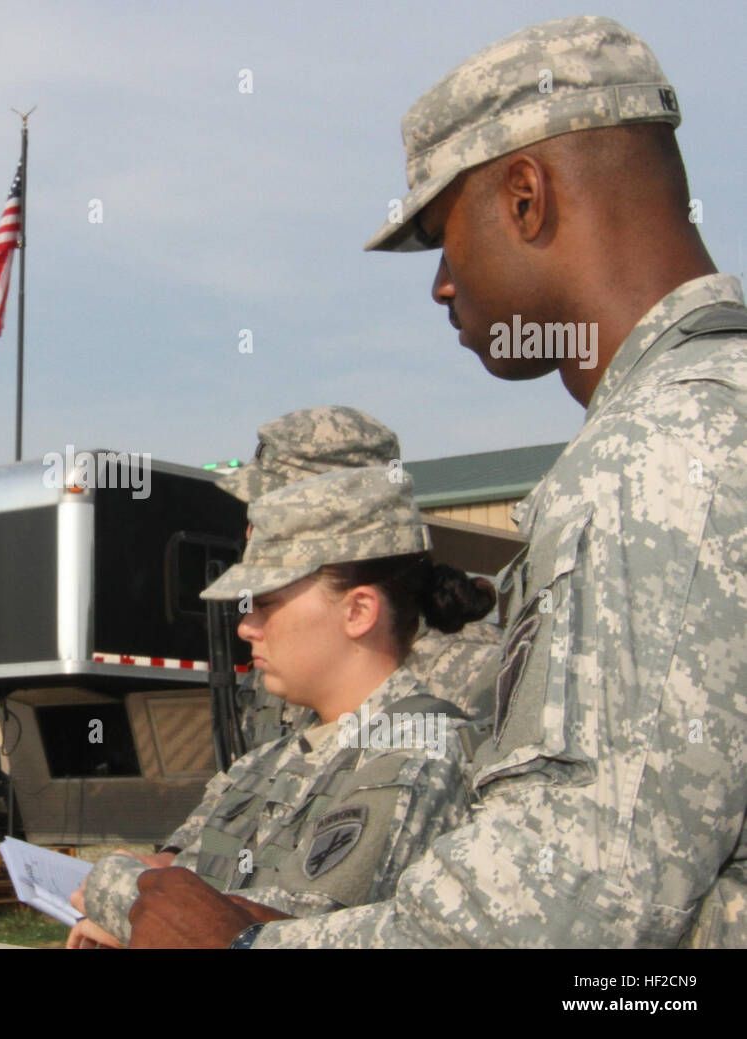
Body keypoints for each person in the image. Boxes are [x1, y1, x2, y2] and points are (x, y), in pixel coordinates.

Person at [127, 15, 747, 948]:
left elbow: (570, 910)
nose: (443, 285)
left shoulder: (658, 451)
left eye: (444, 235)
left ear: (526, 197)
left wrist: (241, 947)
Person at [69, 467, 494, 947]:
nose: (245, 627)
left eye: (266, 604)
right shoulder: (266, 761)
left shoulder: (420, 755)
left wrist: (111, 888)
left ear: (358, 611)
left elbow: (288, 931)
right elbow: (177, 881)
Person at [159, 406, 502, 864]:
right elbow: (250, 800)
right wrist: (172, 868)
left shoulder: (471, 677)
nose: (252, 527)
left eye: (280, 505)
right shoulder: (294, 659)